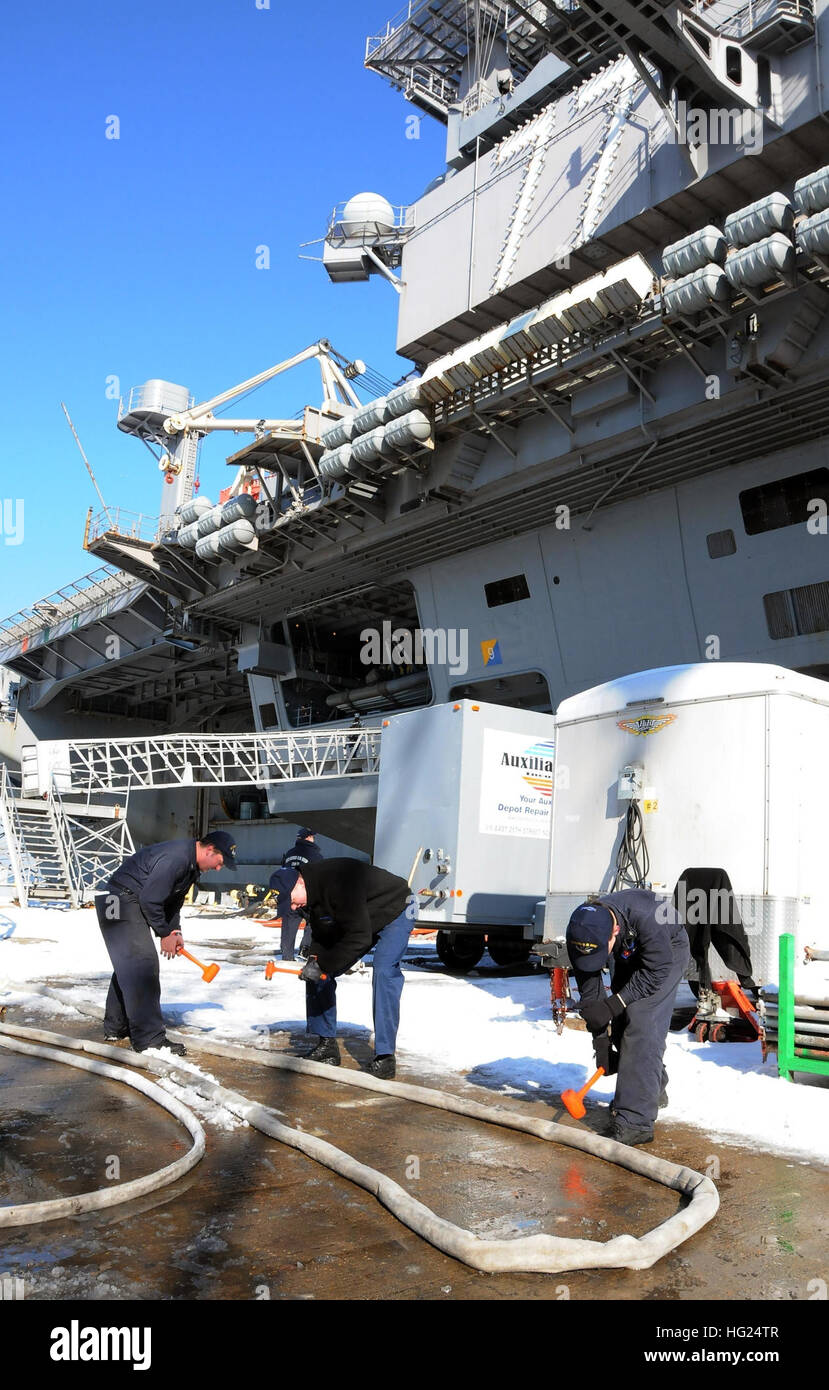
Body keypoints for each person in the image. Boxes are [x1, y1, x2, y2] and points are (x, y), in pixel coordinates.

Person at [565, 890, 690, 1146]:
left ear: (614, 931)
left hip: (666, 953)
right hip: (629, 949)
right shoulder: (581, 931)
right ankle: (650, 1089)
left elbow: (655, 973)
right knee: (621, 1020)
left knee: (642, 1023)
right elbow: (592, 997)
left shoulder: (648, 918)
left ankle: (636, 1122)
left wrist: (615, 1003)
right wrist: (601, 1044)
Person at [95, 831, 236, 1055]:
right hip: (120, 900)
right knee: (141, 965)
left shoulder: (190, 866)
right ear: (209, 850)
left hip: (125, 899)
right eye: (219, 862)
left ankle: (117, 1026)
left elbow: (173, 902)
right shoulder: (177, 858)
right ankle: (149, 1040)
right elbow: (150, 899)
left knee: (129, 965)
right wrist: (164, 933)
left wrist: (174, 930)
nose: (218, 868)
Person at [269, 857, 411, 1078]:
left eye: (293, 902)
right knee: (316, 970)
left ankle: (385, 1057)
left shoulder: (339, 882)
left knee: (384, 971)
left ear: (299, 883)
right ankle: (326, 1046)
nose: (295, 907)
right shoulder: (311, 895)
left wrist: (324, 963)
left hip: (397, 908)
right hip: (362, 916)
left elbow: (360, 938)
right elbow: (321, 934)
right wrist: (316, 963)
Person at [272, 828, 322, 961]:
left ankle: (287, 956)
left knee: (288, 926)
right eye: (312, 837)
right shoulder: (315, 855)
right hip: (307, 896)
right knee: (314, 922)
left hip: (290, 895)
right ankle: (305, 950)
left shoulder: (289, 854)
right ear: (309, 838)